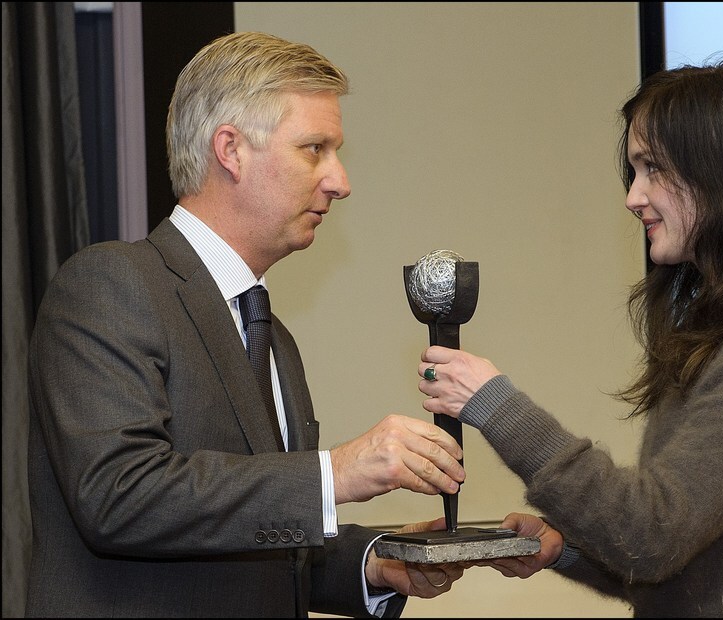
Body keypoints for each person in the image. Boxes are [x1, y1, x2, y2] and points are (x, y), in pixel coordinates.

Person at [26, 31, 467, 618]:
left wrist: (373, 562)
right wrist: (332, 474)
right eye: (315, 149)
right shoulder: (111, 283)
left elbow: (256, 541)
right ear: (230, 150)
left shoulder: (272, 337)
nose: (340, 181)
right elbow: (119, 496)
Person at [417, 57, 723, 617]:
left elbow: (652, 536)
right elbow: (686, 565)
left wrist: (495, 405)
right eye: (635, 171)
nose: (633, 197)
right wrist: (566, 549)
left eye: (654, 168)